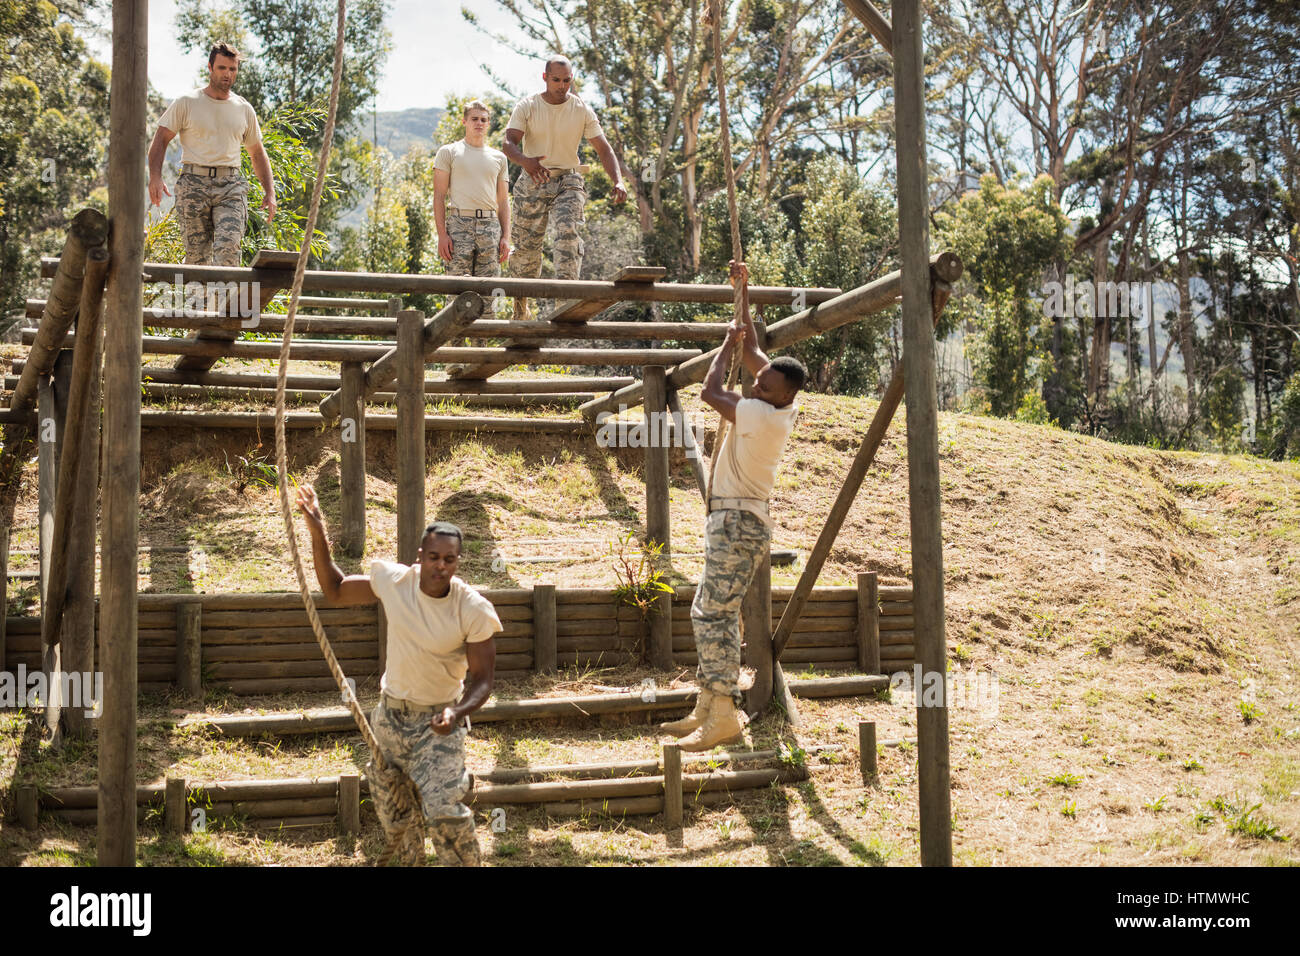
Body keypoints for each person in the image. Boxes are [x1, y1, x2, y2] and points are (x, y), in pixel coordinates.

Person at [295, 484, 500, 866]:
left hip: (438, 720)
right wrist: (318, 530)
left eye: (450, 560)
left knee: (444, 810)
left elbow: (484, 680)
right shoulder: (396, 581)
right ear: (420, 556)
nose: (442, 567)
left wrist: (457, 713)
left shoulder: (471, 608)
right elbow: (335, 590)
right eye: (435, 557)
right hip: (389, 719)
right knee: (398, 822)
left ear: (458, 562)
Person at [661, 262, 807, 752]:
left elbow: (709, 391)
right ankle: (708, 703)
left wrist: (723, 346)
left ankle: (723, 710)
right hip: (735, 518)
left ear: (781, 397)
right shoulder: (777, 397)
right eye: (759, 380)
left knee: (714, 614)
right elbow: (751, 351)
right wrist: (742, 291)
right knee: (710, 609)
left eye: (764, 385)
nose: (756, 384)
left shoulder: (762, 415)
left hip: (739, 520)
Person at [502, 55, 628, 318]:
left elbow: (603, 149)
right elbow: (508, 143)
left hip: (568, 180)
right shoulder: (528, 105)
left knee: (568, 229)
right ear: (545, 77)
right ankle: (520, 308)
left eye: (567, 80)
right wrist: (527, 162)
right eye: (556, 80)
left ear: (572, 79)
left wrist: (617, 180)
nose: (562, 85)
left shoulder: (581, 109)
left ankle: (565, 298)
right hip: (533, 179)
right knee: (526, 247)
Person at [147, 43, 276, 268]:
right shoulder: (187, 102)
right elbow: (160, 140)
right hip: (193, 184)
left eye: (232, 69)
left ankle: (225, 304)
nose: (227, 74)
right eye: (222, 68)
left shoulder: (243, 108)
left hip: (230, 186)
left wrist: (270, 191)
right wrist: (155, 177)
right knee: (197, 258)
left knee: (228, 250)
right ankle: (200, 304)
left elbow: (257, 153)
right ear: (210, 67)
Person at [434, 101, 511, 277]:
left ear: (489, 124)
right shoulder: (449, 152)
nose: (479, 123)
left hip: (490, 227)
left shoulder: (499, 158)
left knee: (489, 292)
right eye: (474, 119)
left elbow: (503, 201)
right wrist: (442, 235)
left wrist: (506, 237)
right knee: (456, 290)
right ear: (464, 122)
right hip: (459, 226)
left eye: (484, 120)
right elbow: (439, 196)